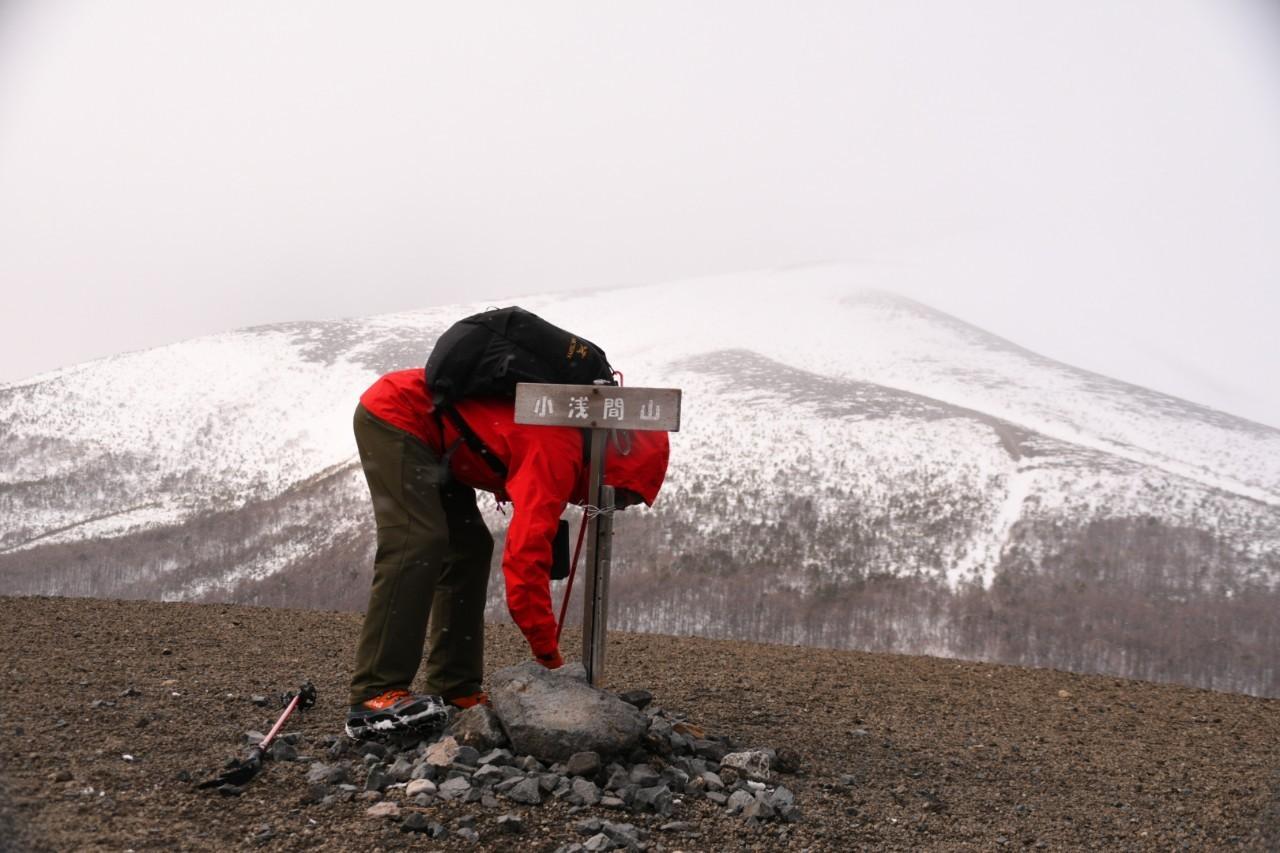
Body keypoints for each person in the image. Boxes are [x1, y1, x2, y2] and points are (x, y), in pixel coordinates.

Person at [344, 368, 670, 739]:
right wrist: (549, 657)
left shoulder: (571, 444)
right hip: (398, 413)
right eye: (623, 497)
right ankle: (375, 693)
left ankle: (455, 686)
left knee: (469, 548)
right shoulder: (559, 452)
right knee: (417, 541)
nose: (616, 507)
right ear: (616, 466)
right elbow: (524, 562)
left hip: (439, 434)